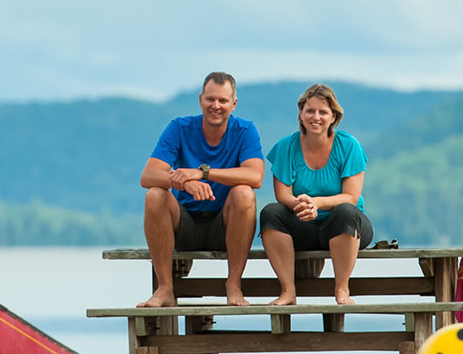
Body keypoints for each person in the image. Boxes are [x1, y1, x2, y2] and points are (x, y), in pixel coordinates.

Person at [138, 71, 264, 308]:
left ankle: (234, 284)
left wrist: (203, 173)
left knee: (244, 192)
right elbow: (148, 175)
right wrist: (184, 182)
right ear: (200, 100)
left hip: (226, 226)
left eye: (223, 100)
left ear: (233, 104)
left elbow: (255, 176)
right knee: (155, 194)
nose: (216, 106)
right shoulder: (179, 127)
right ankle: (165, 289)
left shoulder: (245, 130)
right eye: (210, 99)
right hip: (184, 224)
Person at [259, 83, 373, 305]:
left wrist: (316, 203)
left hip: (346, 225)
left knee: (346, 211)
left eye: (323, 112)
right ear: (301, 115)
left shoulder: (349, 146)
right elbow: (282, 195)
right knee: (270, 213)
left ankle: (342, 288)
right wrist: (301, 205)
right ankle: (288, 291)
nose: (316, 117)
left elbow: (350, 196)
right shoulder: (286, 146)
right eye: (310, 110)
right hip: (303, 224)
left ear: (333, 117)